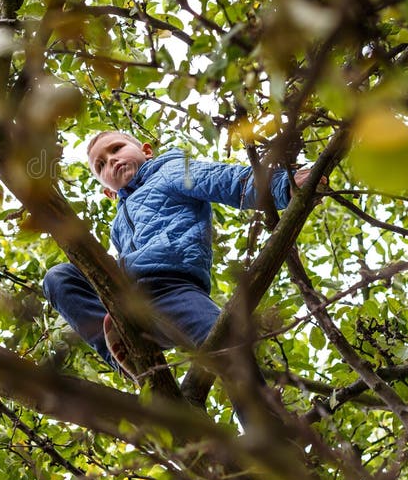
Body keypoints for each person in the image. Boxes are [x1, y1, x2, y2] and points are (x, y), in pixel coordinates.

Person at [42, 131, 312, 379]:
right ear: (108, 191)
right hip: (129, 302)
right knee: (59, 277)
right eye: (101, 165)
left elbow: (224, 180)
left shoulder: (170, 170)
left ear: (147, 151)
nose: (111, 160)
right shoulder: (118, 224)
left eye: (116, 149)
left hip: (174, 289)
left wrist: (282, 186)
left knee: (228, 348)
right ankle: (125, 354)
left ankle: (266, 425)